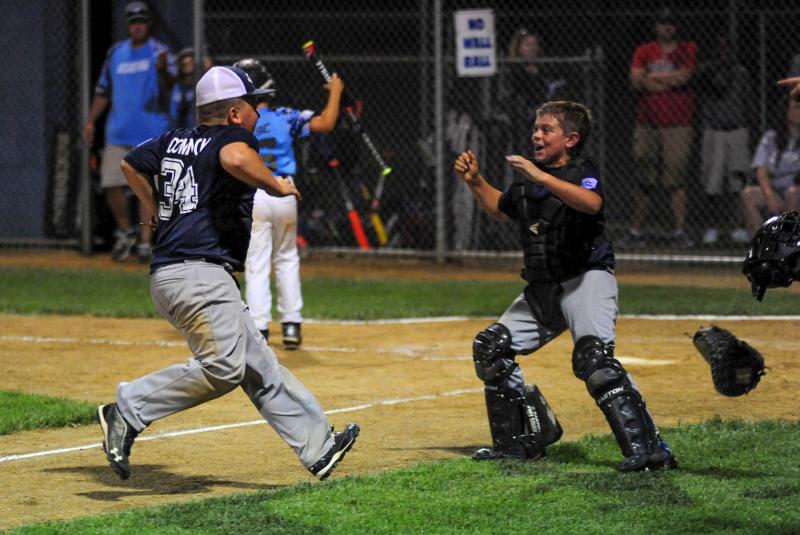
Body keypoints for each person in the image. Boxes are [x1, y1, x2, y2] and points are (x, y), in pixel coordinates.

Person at [95, 65, 359, 482]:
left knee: (259, 365)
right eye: (251, 105)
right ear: (234, 113)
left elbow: (130, 165)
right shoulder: (233, 138)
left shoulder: (172, 139)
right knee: (222, 368)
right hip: (197, 274)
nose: (256, 113)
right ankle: (127, 408)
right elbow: (235, 157)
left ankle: (318, 446)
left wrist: (157, 211)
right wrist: (276, 185)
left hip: (178, 274)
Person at [453, 100, 677, 472]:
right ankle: (522, 443)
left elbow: (591, 203)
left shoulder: (581, 171)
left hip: (586, 279)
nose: (536, 135)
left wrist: (541, 177)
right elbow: (500, 208)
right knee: (491, 350)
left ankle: (651, 452)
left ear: (571, 139)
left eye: (546, 130)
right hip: (544, 288)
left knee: (595, 362)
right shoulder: (529, 179)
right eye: (536, 128)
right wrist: (475, 180)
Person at [233, 58, 344, 349]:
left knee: (256, 262)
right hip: (285, 191)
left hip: (253, 192)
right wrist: (335, 91)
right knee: (286, 258)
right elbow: (327, 122)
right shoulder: (285, 116)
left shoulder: (239, 120)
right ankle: (292, 325)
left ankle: (259, 327)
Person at [82, 1, 176, 263]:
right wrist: (90, 121)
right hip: (118, 131)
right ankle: (125, 231)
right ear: (128, 25)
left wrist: (162, 72)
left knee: (145, 187)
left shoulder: (160, 51)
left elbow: (172, 84)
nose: (138, 26)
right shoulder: (116, 53)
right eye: (133, 22)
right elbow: (103, 90)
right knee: (110, 182)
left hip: (150, 132)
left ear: (149, 24)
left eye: (142, 21)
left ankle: (146, 241)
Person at [628, 7, 697, 247]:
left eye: (671, 23)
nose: (666, 27)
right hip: (647, 123)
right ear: (655, 26)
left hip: (678, 123)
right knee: (643, 177)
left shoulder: (687, 49)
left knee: (675, 178)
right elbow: (636, 81)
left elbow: (685, 76)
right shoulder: (645, 51)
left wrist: (653, 80)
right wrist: (669, 81)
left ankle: (679, 231)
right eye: (662, 23)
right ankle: (636, 231)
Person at [694, 36, 751, 245]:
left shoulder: (741, 73)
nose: (725, 55)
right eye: (721, 51)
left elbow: (748, 102)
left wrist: (747, 126)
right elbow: (708, 87)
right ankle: (713, 227)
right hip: (714, 130)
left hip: (736, 130)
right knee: (712, 184)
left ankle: (737, 226)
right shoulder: (707, 72)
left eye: (729, 51)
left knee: (738, 182)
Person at [741, 98, 800, 237]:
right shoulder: (771, 138)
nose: (799, 112)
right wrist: (769, 195)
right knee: (748, 195)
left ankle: (787, 245)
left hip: (796, 190)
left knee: (793, 194)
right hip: (777, 190)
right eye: (796, 107)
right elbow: (761, 170)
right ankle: (762, 244)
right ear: (786, 111)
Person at [170, 47, 214, 129]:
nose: (186, 63)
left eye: (190, 61)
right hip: (180, 129)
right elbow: (174, 113)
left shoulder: (202, 83)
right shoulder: (177, 87)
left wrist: (208, 69)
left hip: (200, 128)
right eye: (184, 62)